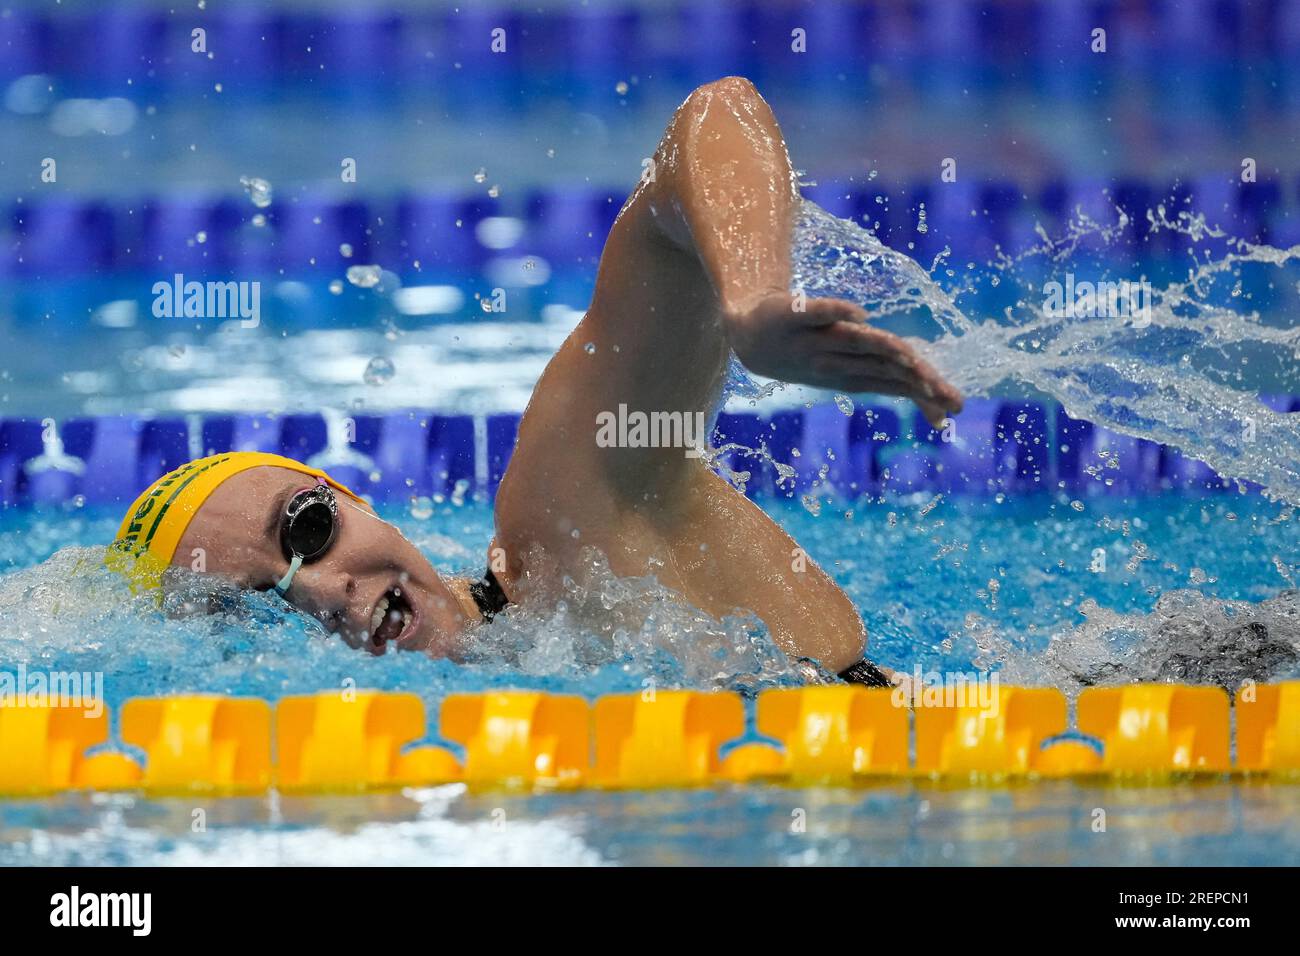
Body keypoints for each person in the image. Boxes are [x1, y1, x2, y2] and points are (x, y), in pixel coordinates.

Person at [107, 77, 963, 684]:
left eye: (307, 528)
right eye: (252, 604)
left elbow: (713, 117)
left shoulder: (565, 538)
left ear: (350, 497)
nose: (325, 595)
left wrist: (752, 303)